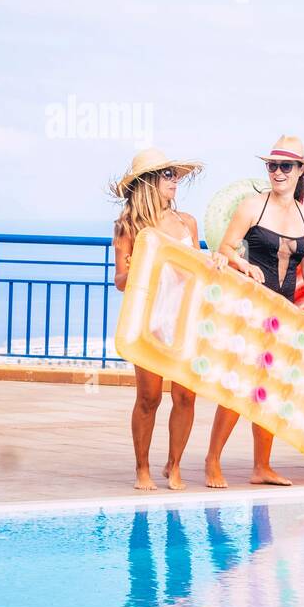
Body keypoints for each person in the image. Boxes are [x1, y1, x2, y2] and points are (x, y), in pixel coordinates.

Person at [204, 136, 304, 489]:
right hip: (252, 307)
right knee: (239, 384)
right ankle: (212, 460)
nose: (277, 172)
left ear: (299, 172)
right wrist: (244, 266)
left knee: (269, 388)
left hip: (285, 312)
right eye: (272, 166)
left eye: (285, 166)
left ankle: (262, 466)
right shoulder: (252, 206)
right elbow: (226, 248)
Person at [110, 148, 203, 491]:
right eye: (168, 176)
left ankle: (175, 465)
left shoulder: (187, 223)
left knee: (186, 397)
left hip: (185, 318)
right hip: (148, 320)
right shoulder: (128, 226)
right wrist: (132, 273)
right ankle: (142, 468)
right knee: (149, 398)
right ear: (148, 182)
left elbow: (200, 271)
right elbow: (119, 280)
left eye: (176, 175)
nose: (175, 181)